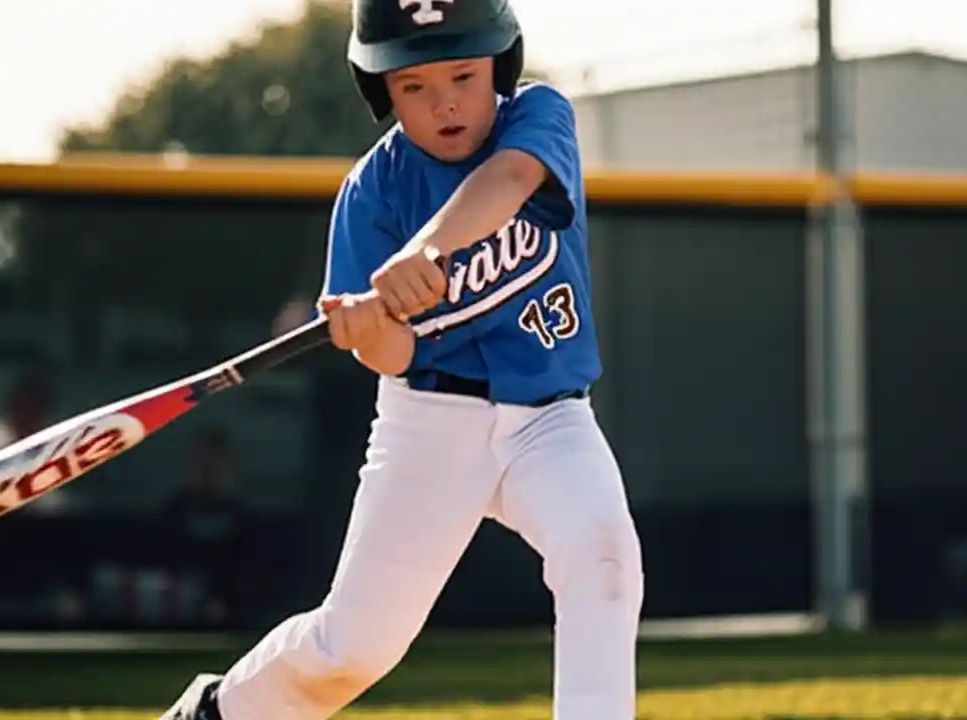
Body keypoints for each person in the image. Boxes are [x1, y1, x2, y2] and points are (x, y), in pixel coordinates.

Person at [160, 1, 644, 718]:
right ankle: (219, 712)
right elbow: (396, 356)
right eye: (414, 85)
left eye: (464, 74)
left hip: (551, 420)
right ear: (382, 92)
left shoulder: (535, 117)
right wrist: (364, 328)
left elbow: (507, 182)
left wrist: (427, 252)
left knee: (603, 558)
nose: (445, 101)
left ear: (499, 66)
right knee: (355, 646)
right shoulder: (372, 191)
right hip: (431, 424)